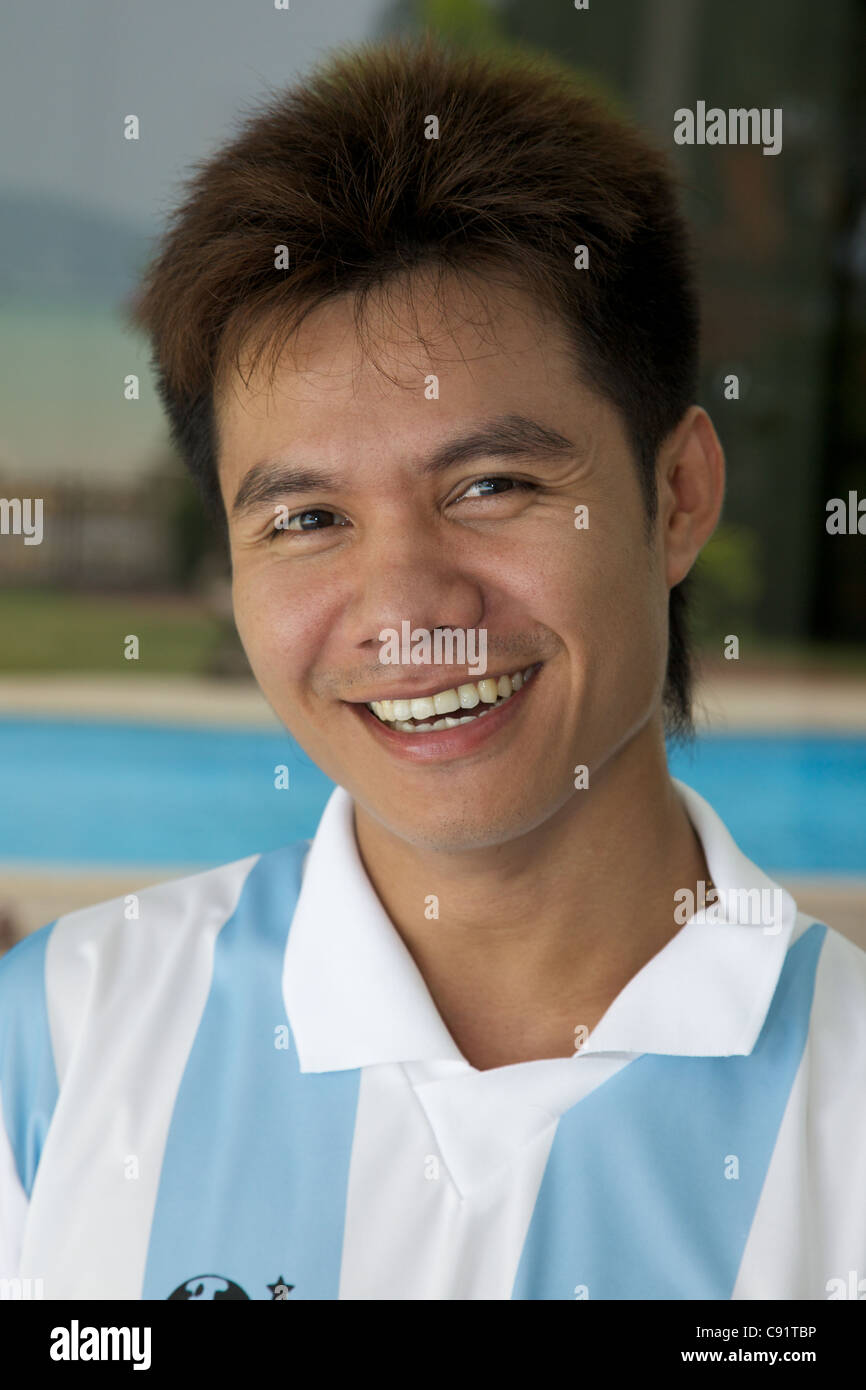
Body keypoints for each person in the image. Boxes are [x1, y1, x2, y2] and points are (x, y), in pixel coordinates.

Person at [1, 36, 863, 1302]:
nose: (406, 609)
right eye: (305, 519)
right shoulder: (58, 1048)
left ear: (676, 497)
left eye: (491, 484)